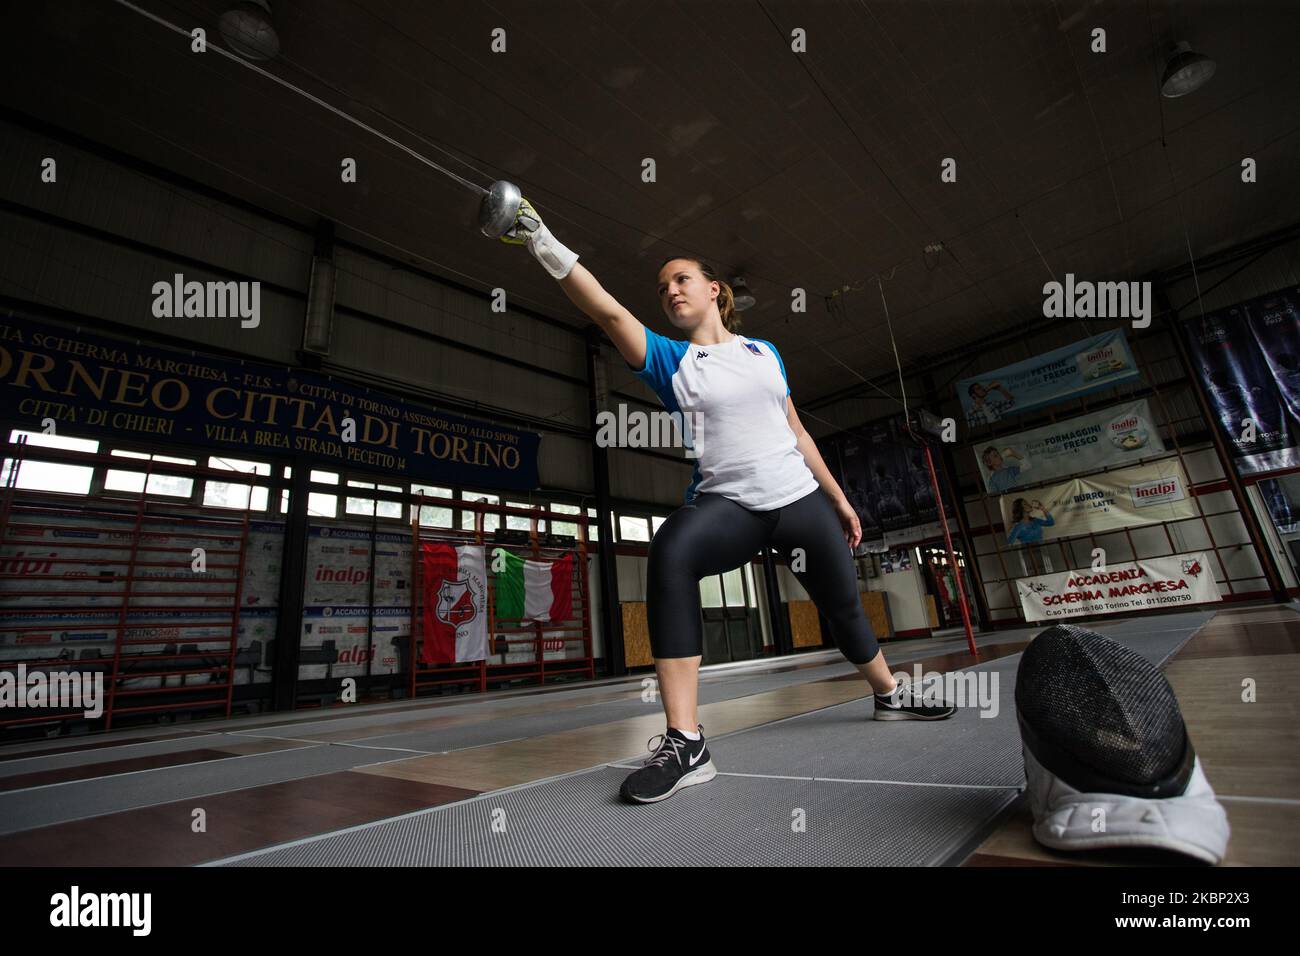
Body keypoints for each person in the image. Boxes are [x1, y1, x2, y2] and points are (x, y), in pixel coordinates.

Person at [497, 198, 956, 804]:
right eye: (662, 288)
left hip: (797, 499)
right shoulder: (672, 360)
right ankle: (686, 740)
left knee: (843, 607)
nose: (670, 292)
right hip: (730, 506)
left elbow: (795, 429)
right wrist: (539, 238)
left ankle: (889, 694)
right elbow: (607, 311)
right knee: (673, 551)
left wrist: (839, 499)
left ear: (714, 289)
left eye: (681, 279)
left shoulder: (765, 353)